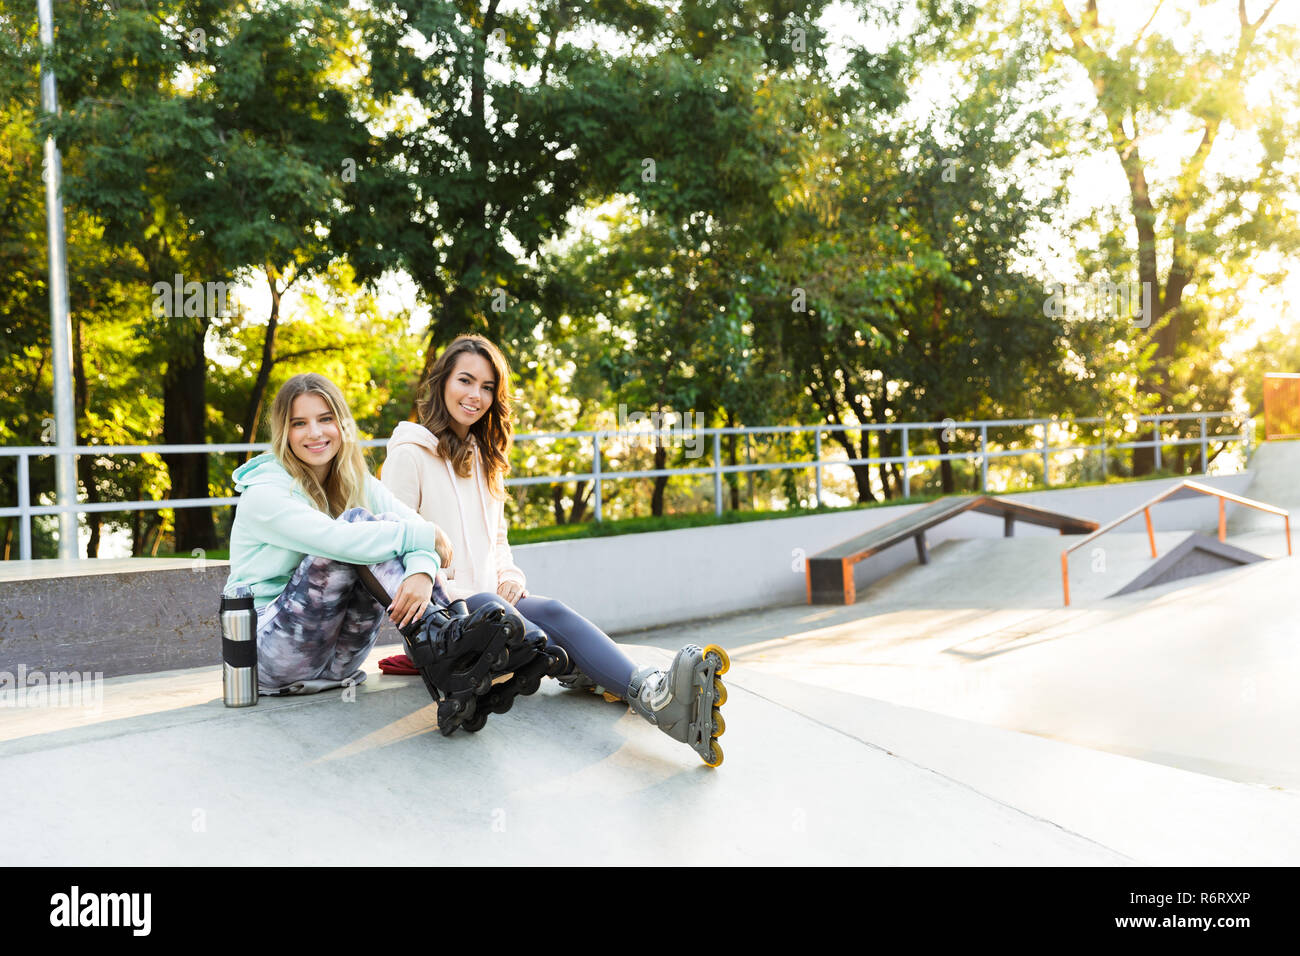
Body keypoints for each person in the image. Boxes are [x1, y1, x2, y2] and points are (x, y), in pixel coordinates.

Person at [379, 334, 729, 766]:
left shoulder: (485, 457)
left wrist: (510, 577)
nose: (475, 396)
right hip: (440, 624)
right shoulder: (408, 454)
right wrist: (450, 593)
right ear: (442, 382)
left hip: (494, 609)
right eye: (465, 381)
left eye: (487, 387)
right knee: (497, 610)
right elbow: (393, 543)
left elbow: (498, 540)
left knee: (553, 610)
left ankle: (654, 695)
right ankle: (578, 668)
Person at [224, 372, 523, 707]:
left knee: (379, 528)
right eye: (299, 423)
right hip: (270, 654)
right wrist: (424, 537)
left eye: (326, 419)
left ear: (342, 424)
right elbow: (339, 540)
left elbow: (412, 523)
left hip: (339, 665)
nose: (315, 433)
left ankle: (451, 647)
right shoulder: (265, 492)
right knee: (357, 526)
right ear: (284, 432)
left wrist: (422, 572)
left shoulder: (356, 482)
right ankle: (443, 644)